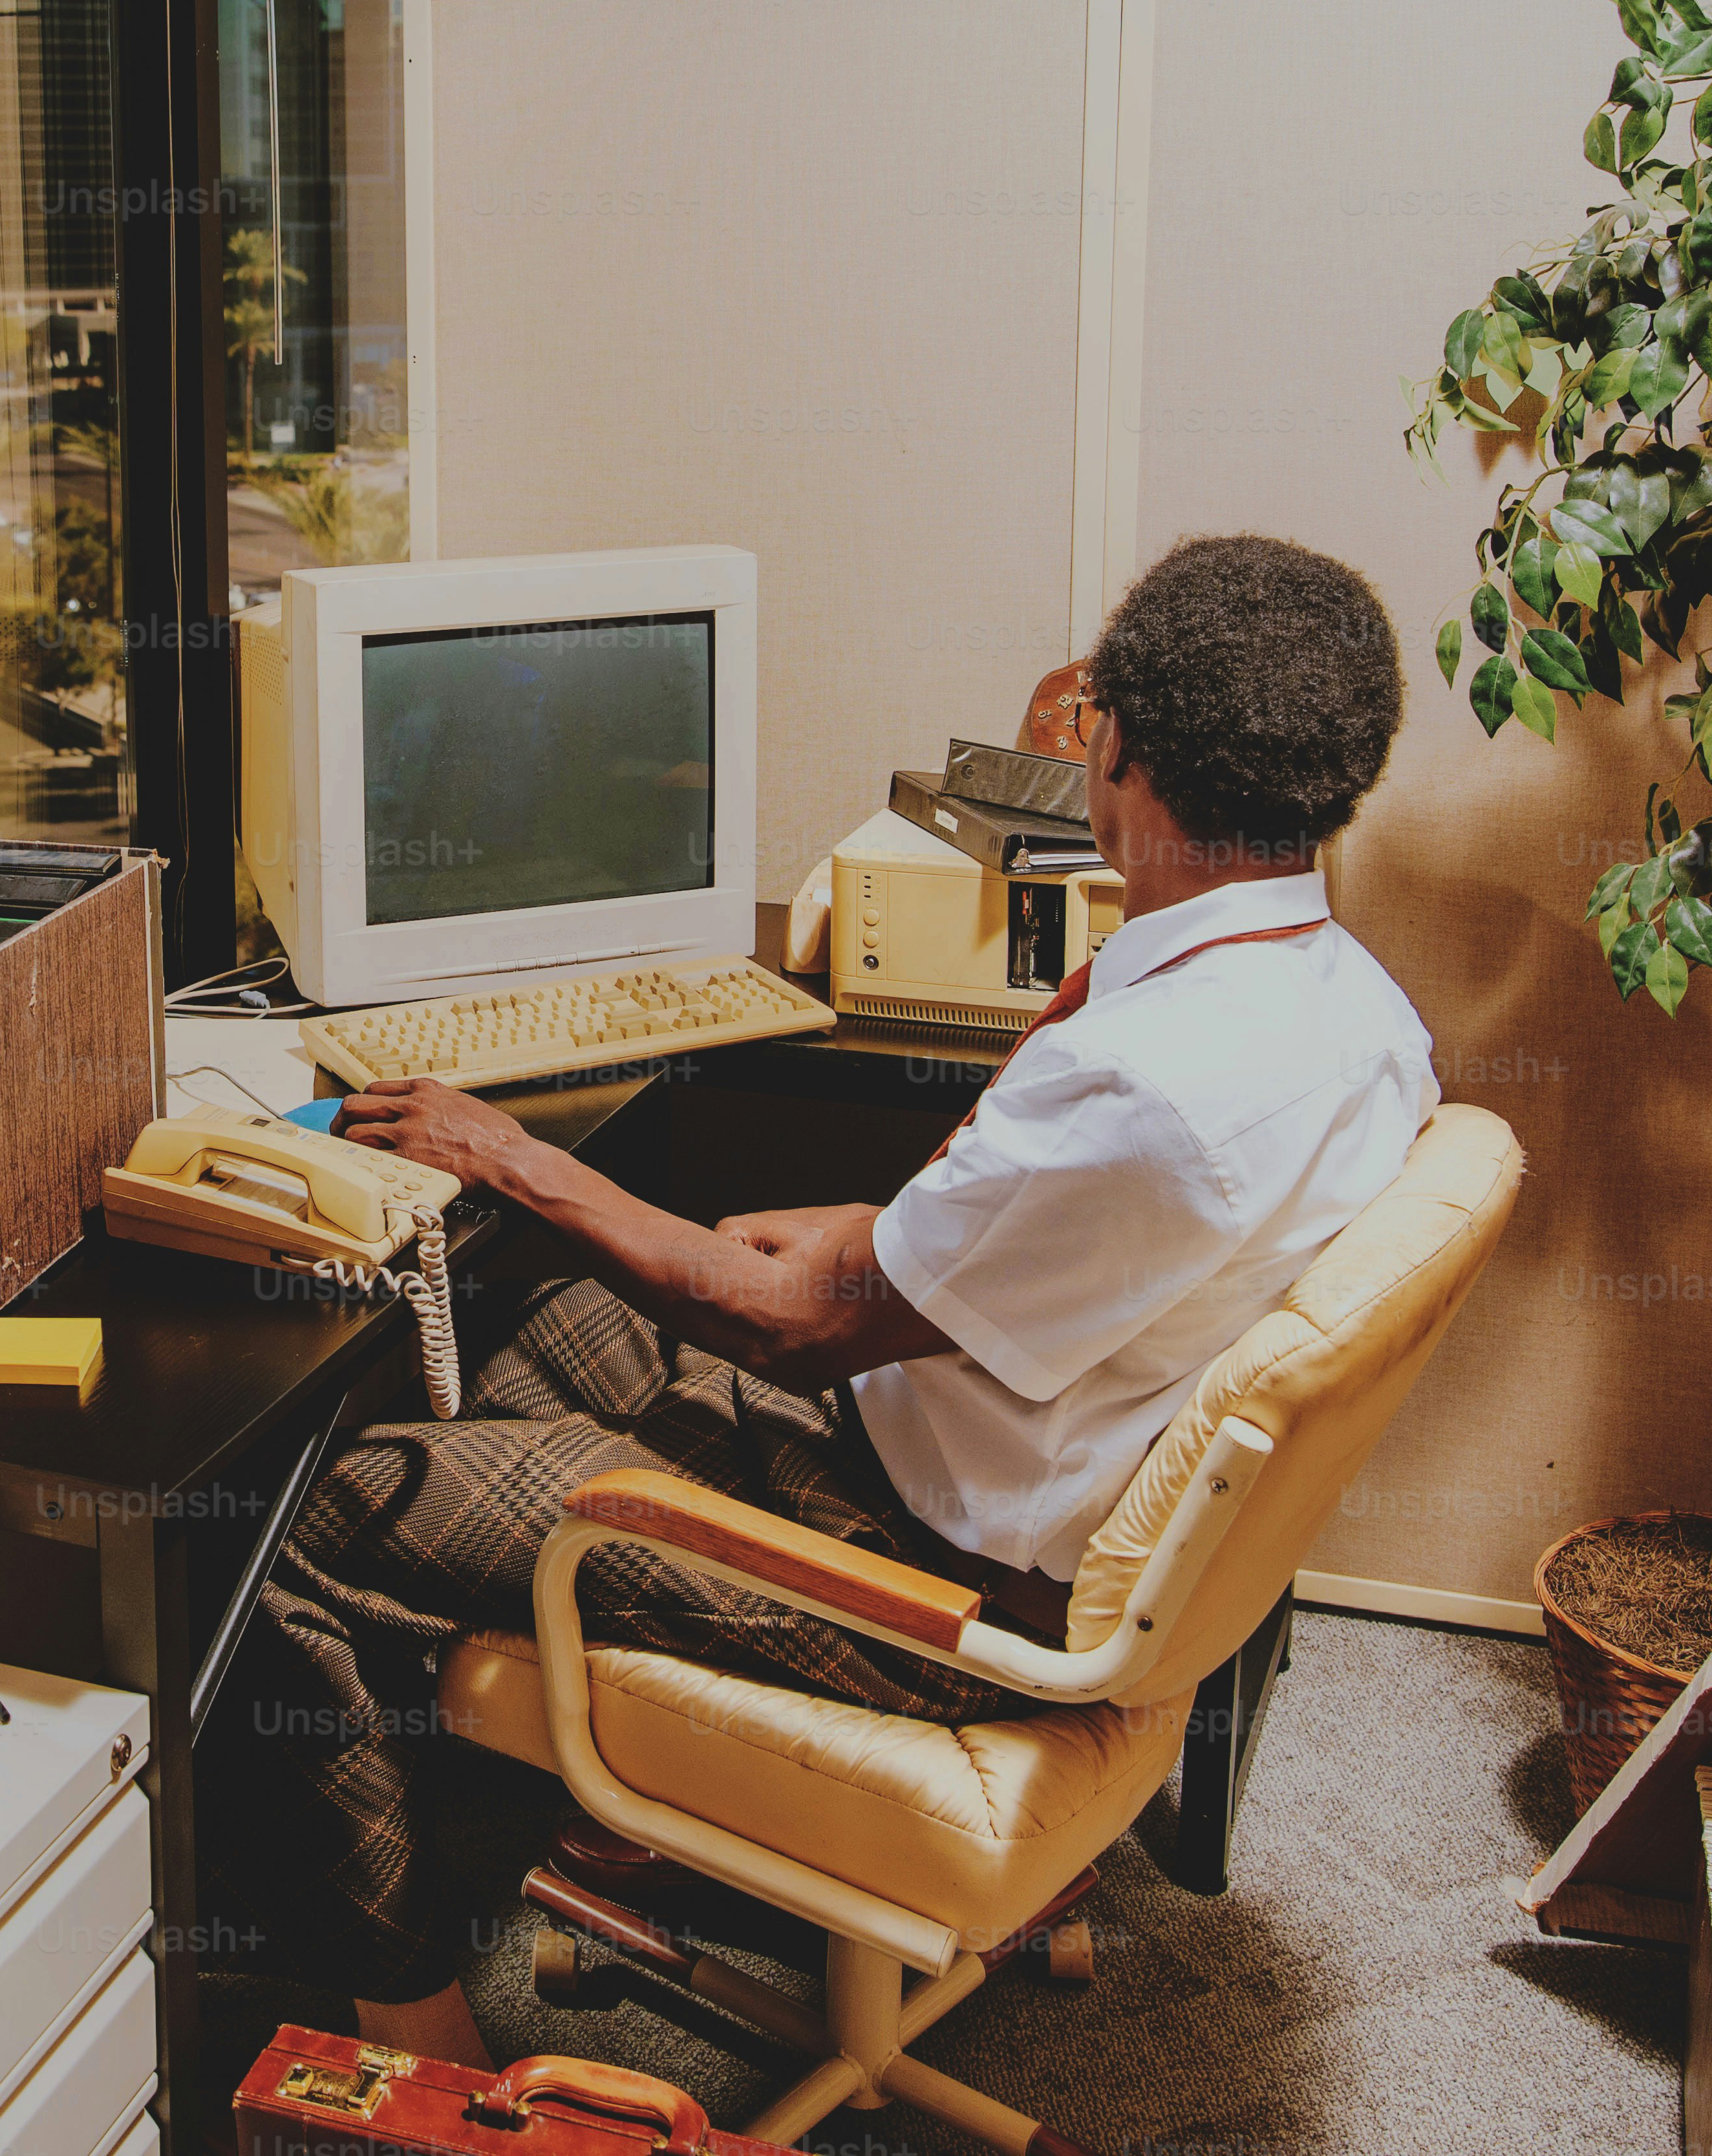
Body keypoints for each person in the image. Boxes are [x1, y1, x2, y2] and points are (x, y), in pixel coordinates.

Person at [223, 532, 1440, 2065]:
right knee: (536, 1338)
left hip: (931, 1586)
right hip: (994, 1474)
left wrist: (515, 1156)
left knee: (324, 1511)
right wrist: (883, 1230)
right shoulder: (1361, 1019)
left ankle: (418, 2032)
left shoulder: (1144, 1079)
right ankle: (624, 1811)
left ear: (1111, 742)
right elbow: (1105, 1249)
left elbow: (788, 1325)